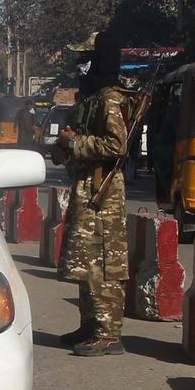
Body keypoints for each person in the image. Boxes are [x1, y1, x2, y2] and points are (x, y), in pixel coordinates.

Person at [52, 32, 130, 356]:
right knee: (84, 261)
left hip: (103, 191)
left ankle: (108, 333)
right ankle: (89, 325)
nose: (79, 64)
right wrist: (62, 146)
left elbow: (117, 145)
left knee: (103, 261)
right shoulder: (90, 96)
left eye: (85, 58)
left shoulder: (110, 97)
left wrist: (73, 143)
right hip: (86, 186)